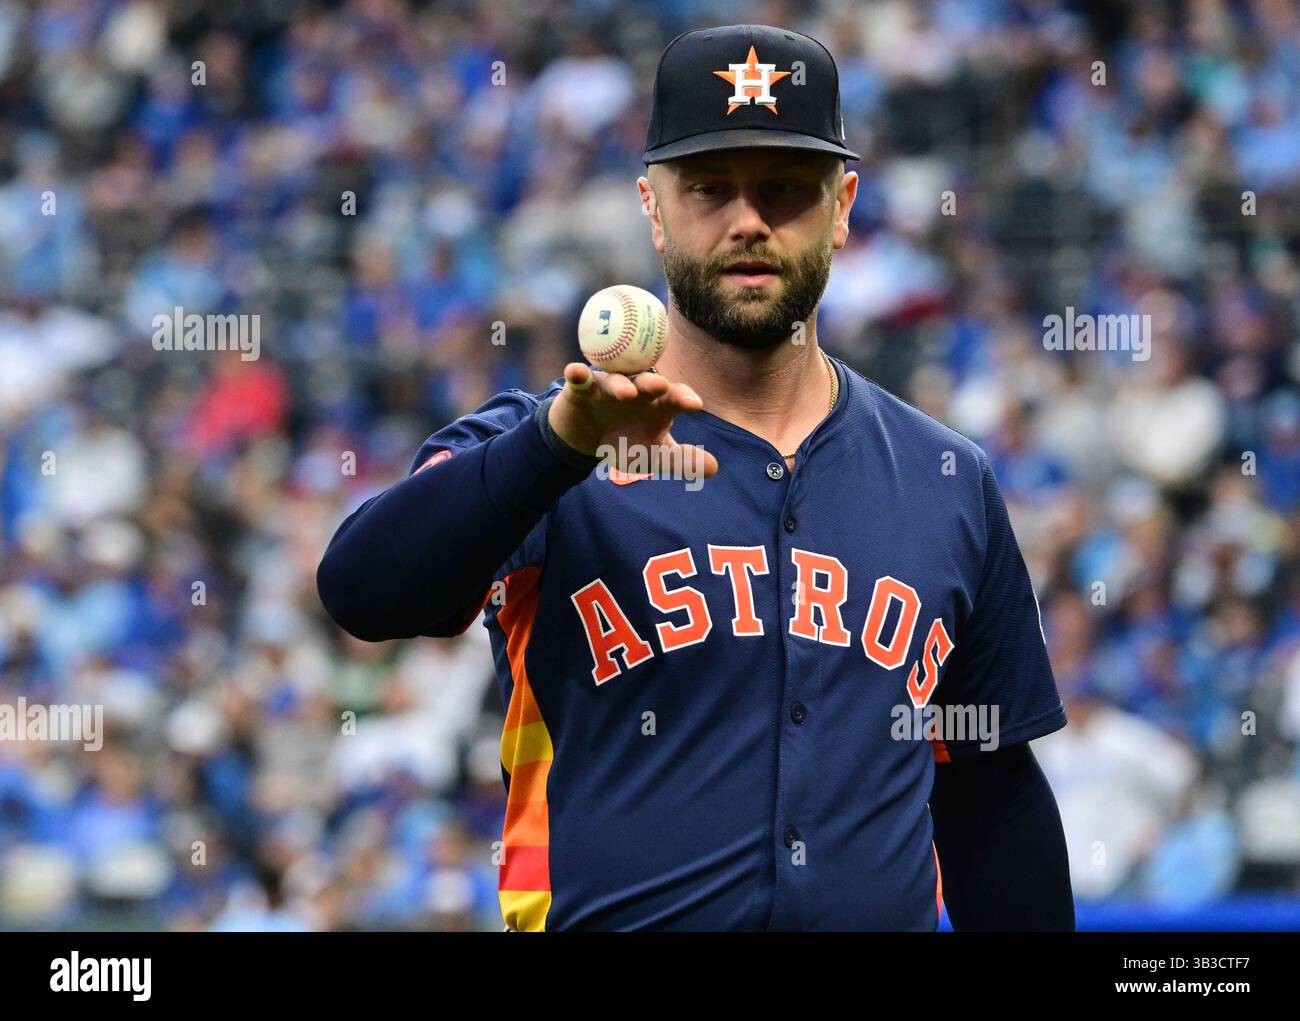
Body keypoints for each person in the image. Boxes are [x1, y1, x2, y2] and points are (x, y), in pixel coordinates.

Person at [317, 24, 1074, 931]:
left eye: (786, 189)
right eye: (710, 187)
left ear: (843, 205)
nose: (747, 219)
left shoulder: (944, 475)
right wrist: (559, 447)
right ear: (652, 204)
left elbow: (989, 788)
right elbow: (364, 590)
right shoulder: (539, 445)